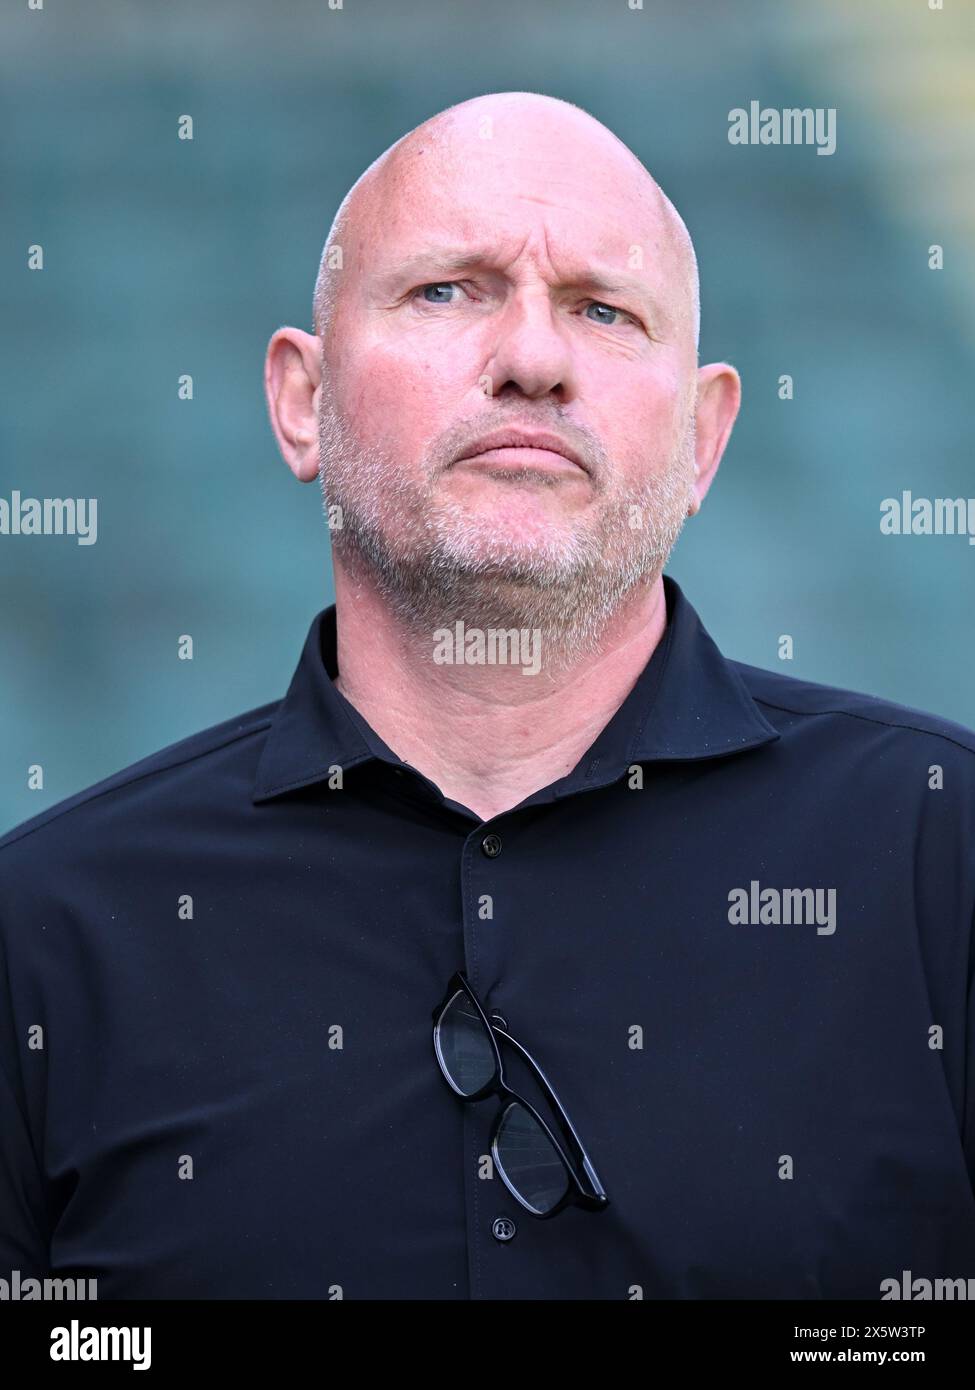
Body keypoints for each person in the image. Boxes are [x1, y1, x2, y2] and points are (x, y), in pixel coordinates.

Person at [1, 92, 973, 1300]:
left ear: (704, 443)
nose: (531, 359)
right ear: (303, 399)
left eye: (603, 310)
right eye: (448, 291)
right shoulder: (45, 931)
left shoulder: (946, 858)